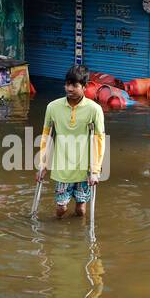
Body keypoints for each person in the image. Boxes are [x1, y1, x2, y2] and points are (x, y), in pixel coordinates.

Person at [36, 64, 105, 218]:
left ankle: (78, 234)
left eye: (74, 85)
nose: (69, 89)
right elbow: (47, 136)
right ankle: (57, 230)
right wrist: (43, 164)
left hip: (84, 170)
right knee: (61, 209)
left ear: (85, 87)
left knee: (81, 210)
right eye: (67, 84)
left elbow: (99, 140)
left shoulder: (94, 110)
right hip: (62, 169)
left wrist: (95, 171)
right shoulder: (53, 107)